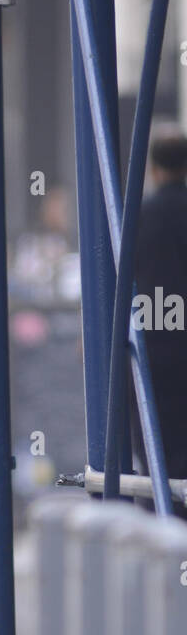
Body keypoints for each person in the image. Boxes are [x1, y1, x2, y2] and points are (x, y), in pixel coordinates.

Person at [127, 130, 187, 521]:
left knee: (152, 455)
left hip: (145, 349)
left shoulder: (135, 217)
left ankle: (161, 532)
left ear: (151, 168)